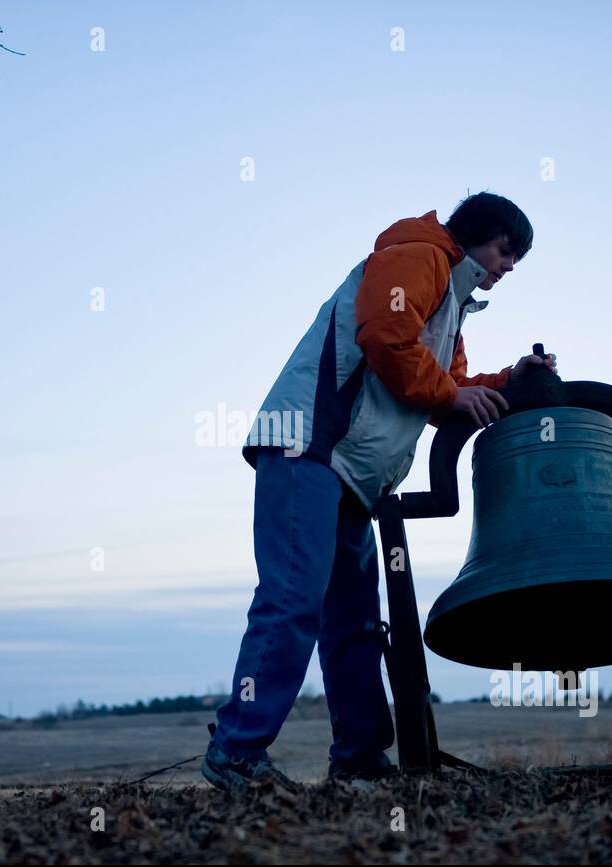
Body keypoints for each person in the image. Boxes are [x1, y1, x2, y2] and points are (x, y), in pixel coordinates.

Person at [202, 192, 556, 793]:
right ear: (475, 235)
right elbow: (386, 337)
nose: (508, 267)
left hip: (349, 473)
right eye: (505, 251)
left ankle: (360, 758)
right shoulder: (418, 256)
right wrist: (452, 394)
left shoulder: (451, 302)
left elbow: (446, 387)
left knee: (354, 621)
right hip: (309, 446)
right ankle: (235, 752)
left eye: (516, 260)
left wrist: (509, 381)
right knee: (292, 599)